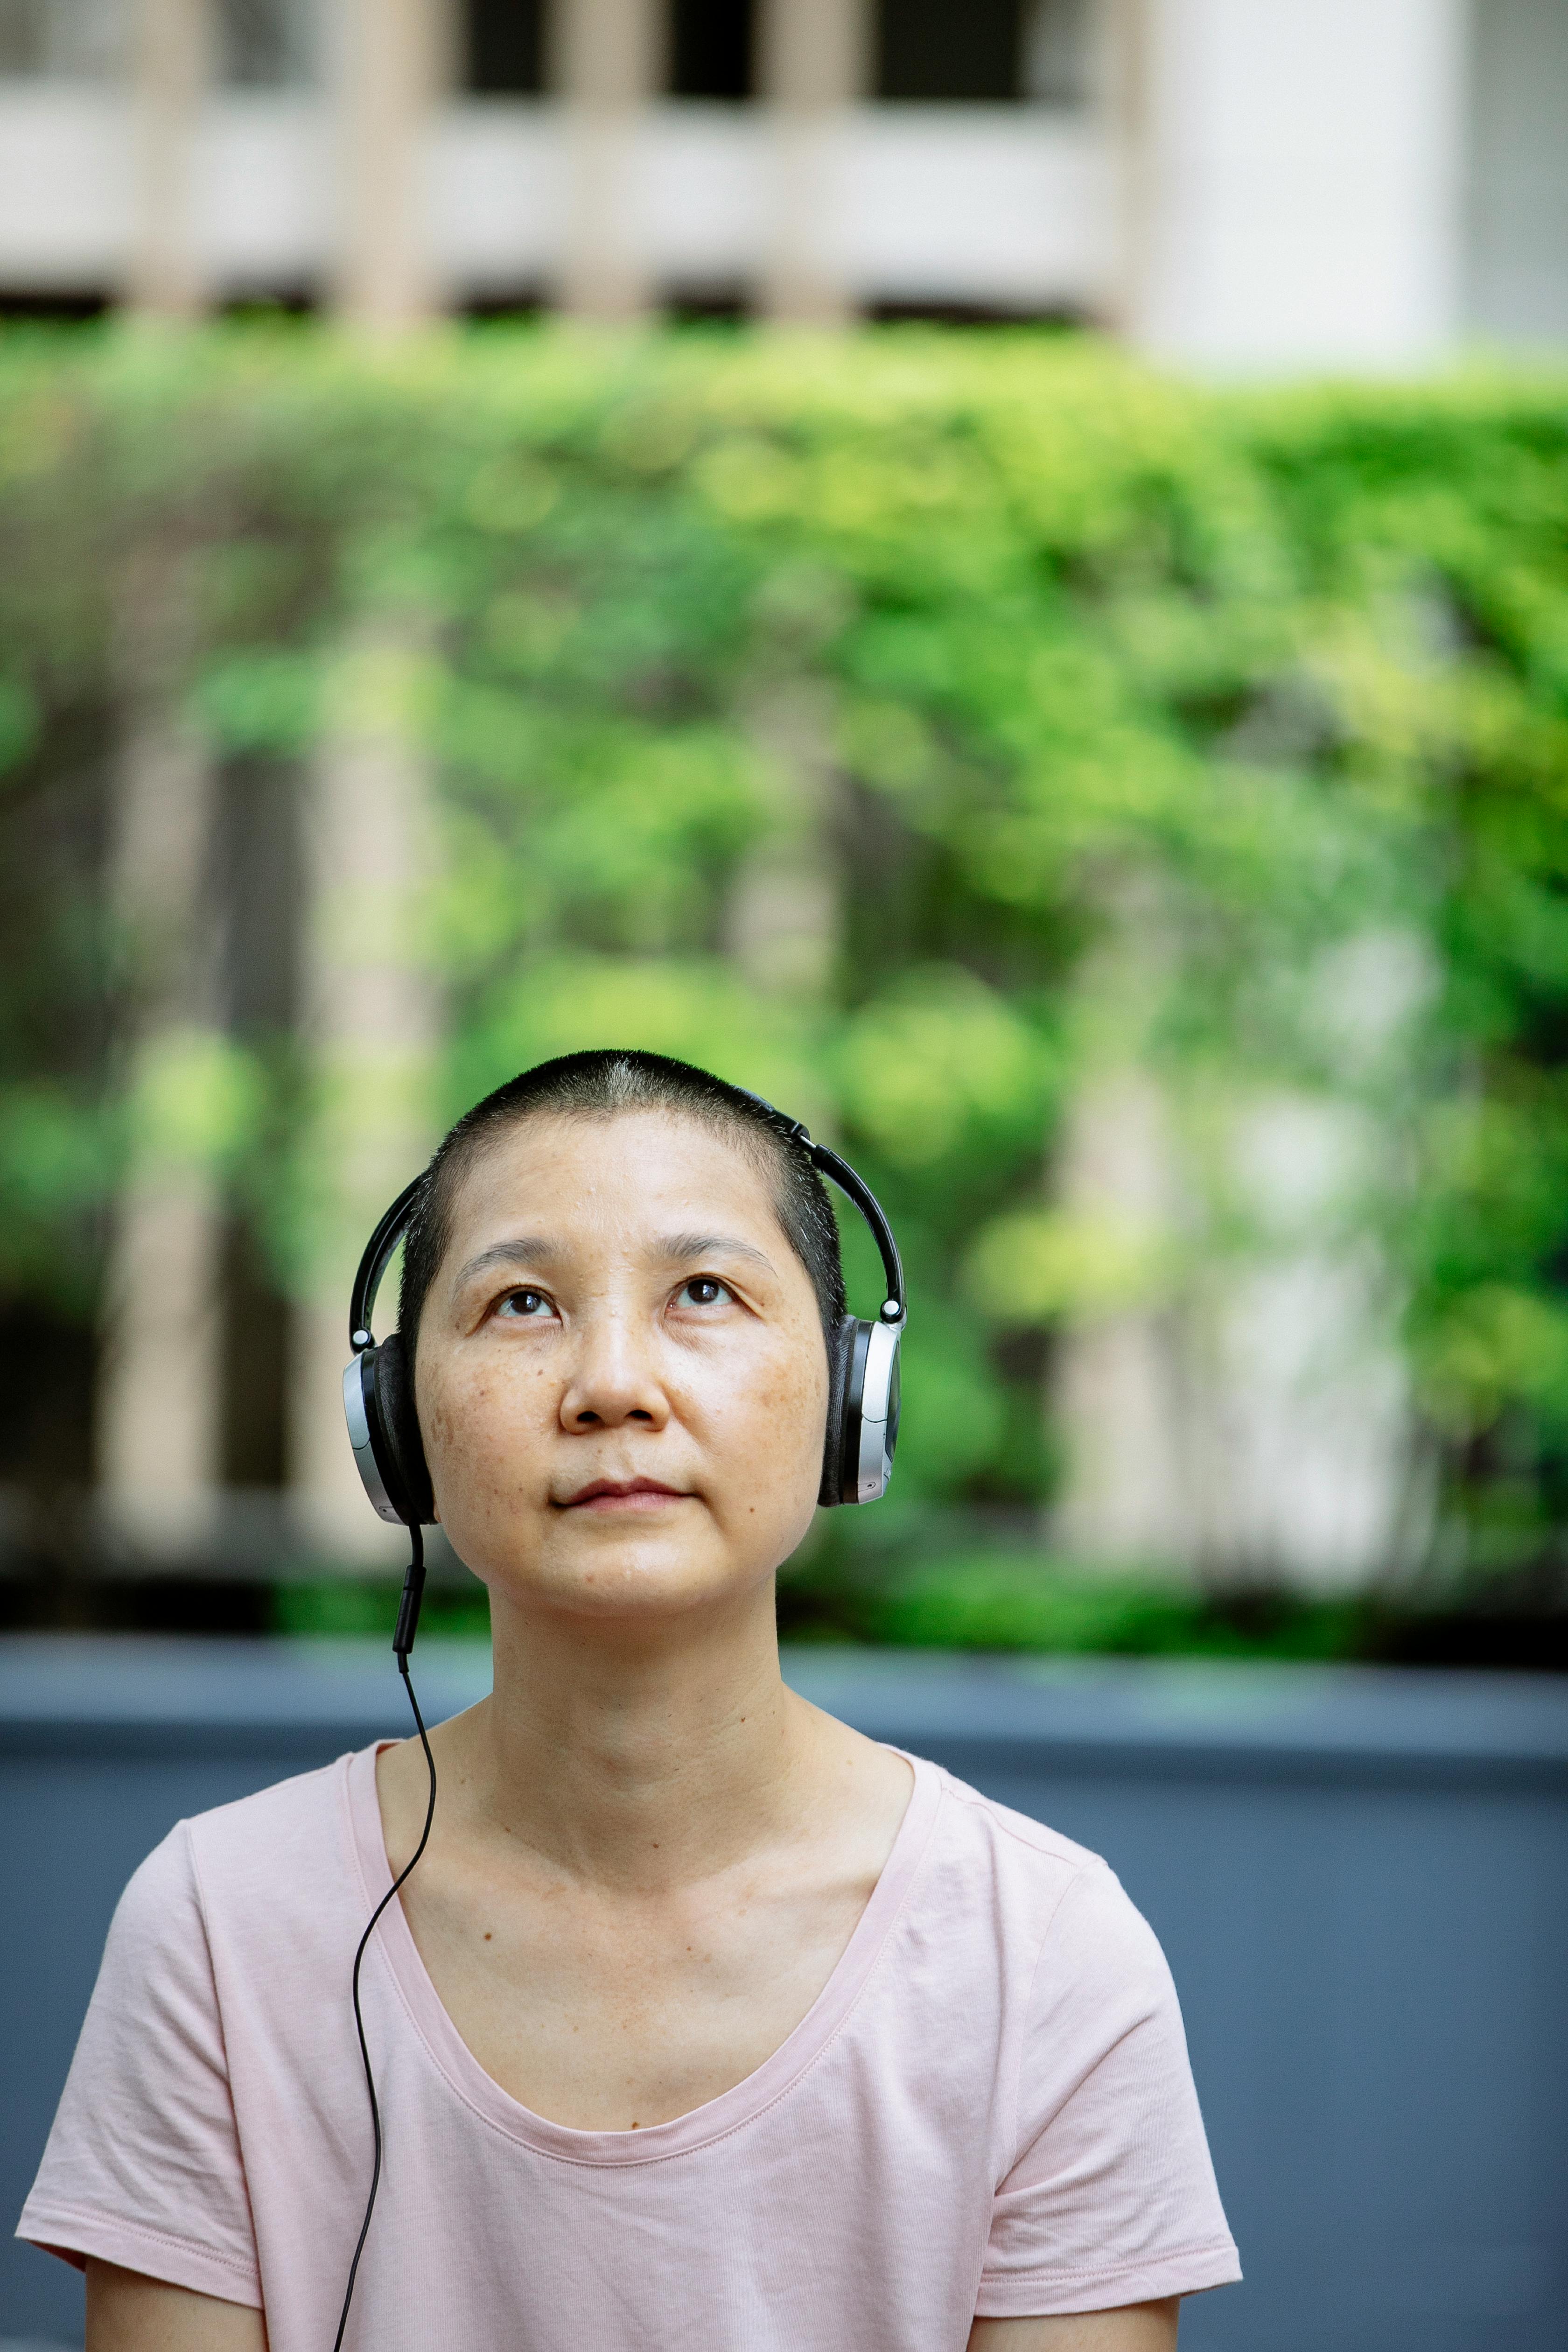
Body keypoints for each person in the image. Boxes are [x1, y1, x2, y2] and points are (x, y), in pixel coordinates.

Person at [19, 1050, 1240, 2351]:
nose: (613, 1383)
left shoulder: (1042, 1955)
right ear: (397, 1422)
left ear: (847, 1397)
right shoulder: (218, 1928)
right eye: (525, 1303)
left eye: (704, 1292)